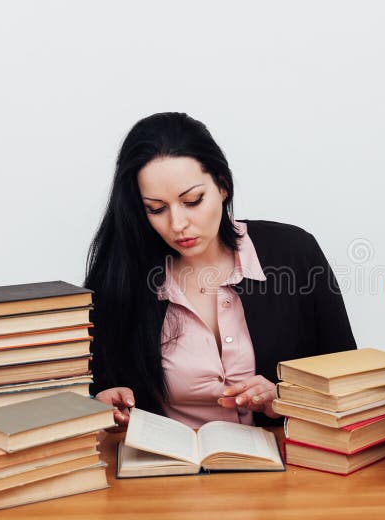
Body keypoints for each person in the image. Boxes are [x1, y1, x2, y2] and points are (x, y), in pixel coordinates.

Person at [85, 112, 356, 430]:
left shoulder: (295, 252)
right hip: (168, 473)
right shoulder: (120, 277)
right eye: (156, 209)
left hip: (289, 468)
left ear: (223, 186)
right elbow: (94, 389)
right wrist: (103, 405)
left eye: (193, 200)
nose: (177, 224)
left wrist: (284, 398)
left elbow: (348, 380)